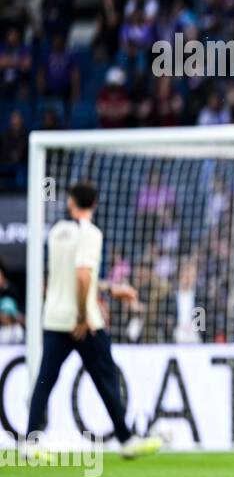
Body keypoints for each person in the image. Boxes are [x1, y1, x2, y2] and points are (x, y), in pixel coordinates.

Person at [24, 181, 161, 460]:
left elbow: (64, 275)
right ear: (95, 204)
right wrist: (83, 316)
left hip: (54, 317)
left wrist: (111, 288)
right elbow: (83, 275)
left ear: (70, 201)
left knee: (45, 379)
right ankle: (125, 439)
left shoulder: (57, 232)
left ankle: (30, 439)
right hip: (83, 320)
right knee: (105, 377)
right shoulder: (91, 234)